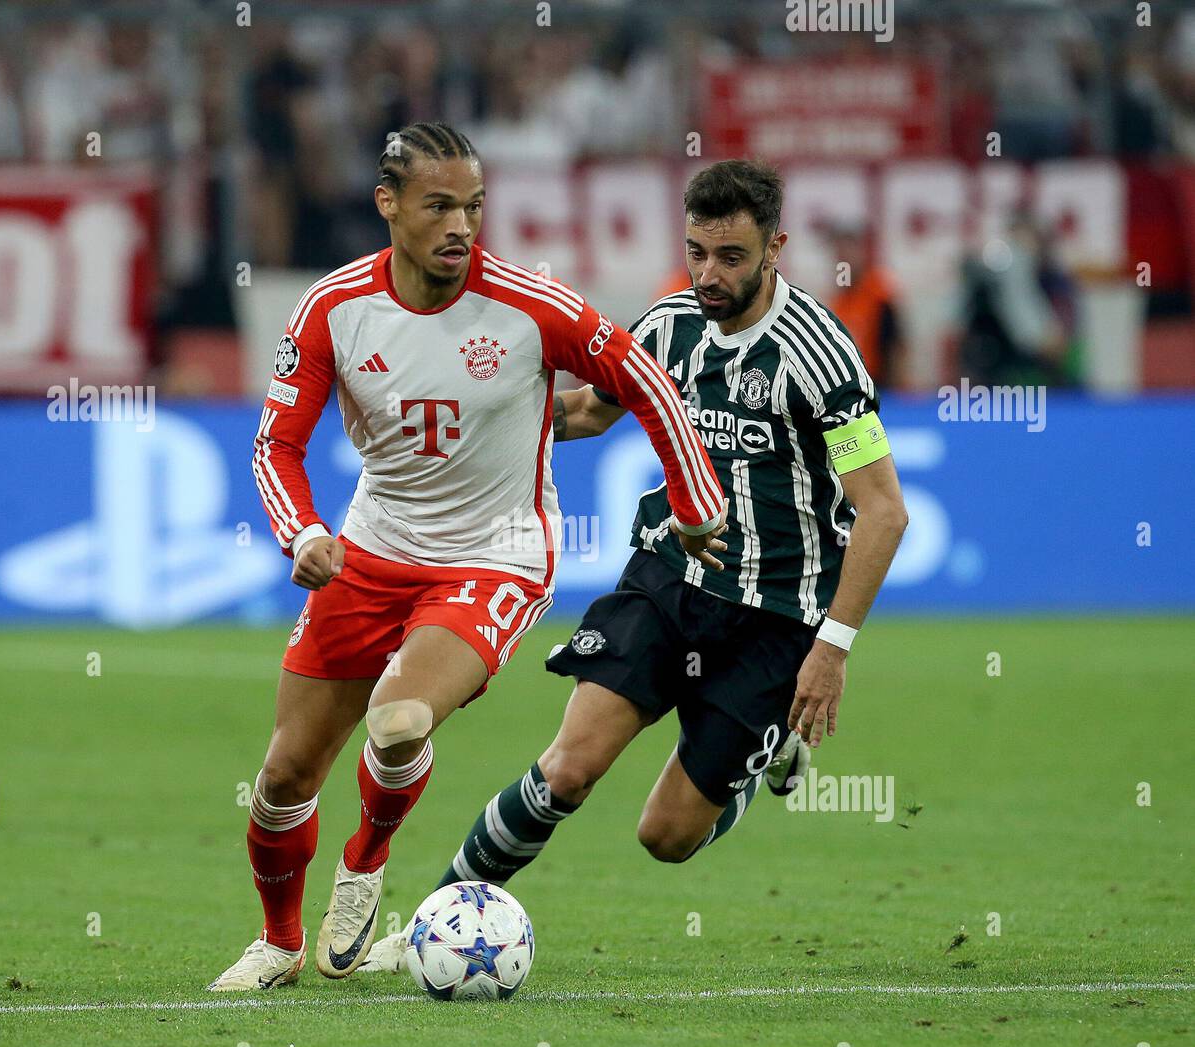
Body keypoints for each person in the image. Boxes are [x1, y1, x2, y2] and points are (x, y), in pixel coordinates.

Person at [207, 122, 725, 991]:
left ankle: (365, 861)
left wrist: (695, 504)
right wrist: (301, 531)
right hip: (370, 549)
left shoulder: (533, 306)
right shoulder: (334, 309)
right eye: (439, 205)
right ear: (388, 204)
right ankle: (279, 945)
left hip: (495, 553)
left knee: (399, 718)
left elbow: (646, 380)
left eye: (474, 207)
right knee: (282, 777)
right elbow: (275, 447)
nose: (461, 225)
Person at [362, 158, 910, 972]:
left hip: (776, 617)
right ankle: (423, 934)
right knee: (568, 770)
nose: (709, 274)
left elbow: (884, 510)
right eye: (697, 252)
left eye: (730, 256)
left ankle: (755, 763)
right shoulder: (668, 324)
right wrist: (485, 413)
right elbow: (590, 409)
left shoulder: (821, 355)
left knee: (666, 837)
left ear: (776, 248)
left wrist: (831, 651)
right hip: (668, 580)